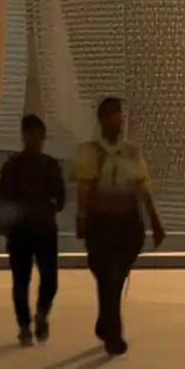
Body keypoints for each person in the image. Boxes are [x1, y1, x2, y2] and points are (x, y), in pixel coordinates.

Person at [73, 97, 165, 356]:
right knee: (106, 275)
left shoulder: (132, 153)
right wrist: (81, 217)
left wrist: (156, 222)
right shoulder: (89, 152)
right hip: (100, 223)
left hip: (127, 225)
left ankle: (106, 321)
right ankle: (114, 334)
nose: (119, 121)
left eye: (120, 116)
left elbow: (143, 188)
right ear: (103, 119)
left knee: (116, 276)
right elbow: (84, 187)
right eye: (114, 116)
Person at [0, 114, 66, 345]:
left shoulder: (46, 165)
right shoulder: (15, 167)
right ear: (25, 136)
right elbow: (1, 196)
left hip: (38, 230)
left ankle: (37, 315)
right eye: (32, 135)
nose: (36, 140)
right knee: (25, 281)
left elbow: (61, 196)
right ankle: (27, 322)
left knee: (42, 280)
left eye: (39, 136)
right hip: (25, 232)